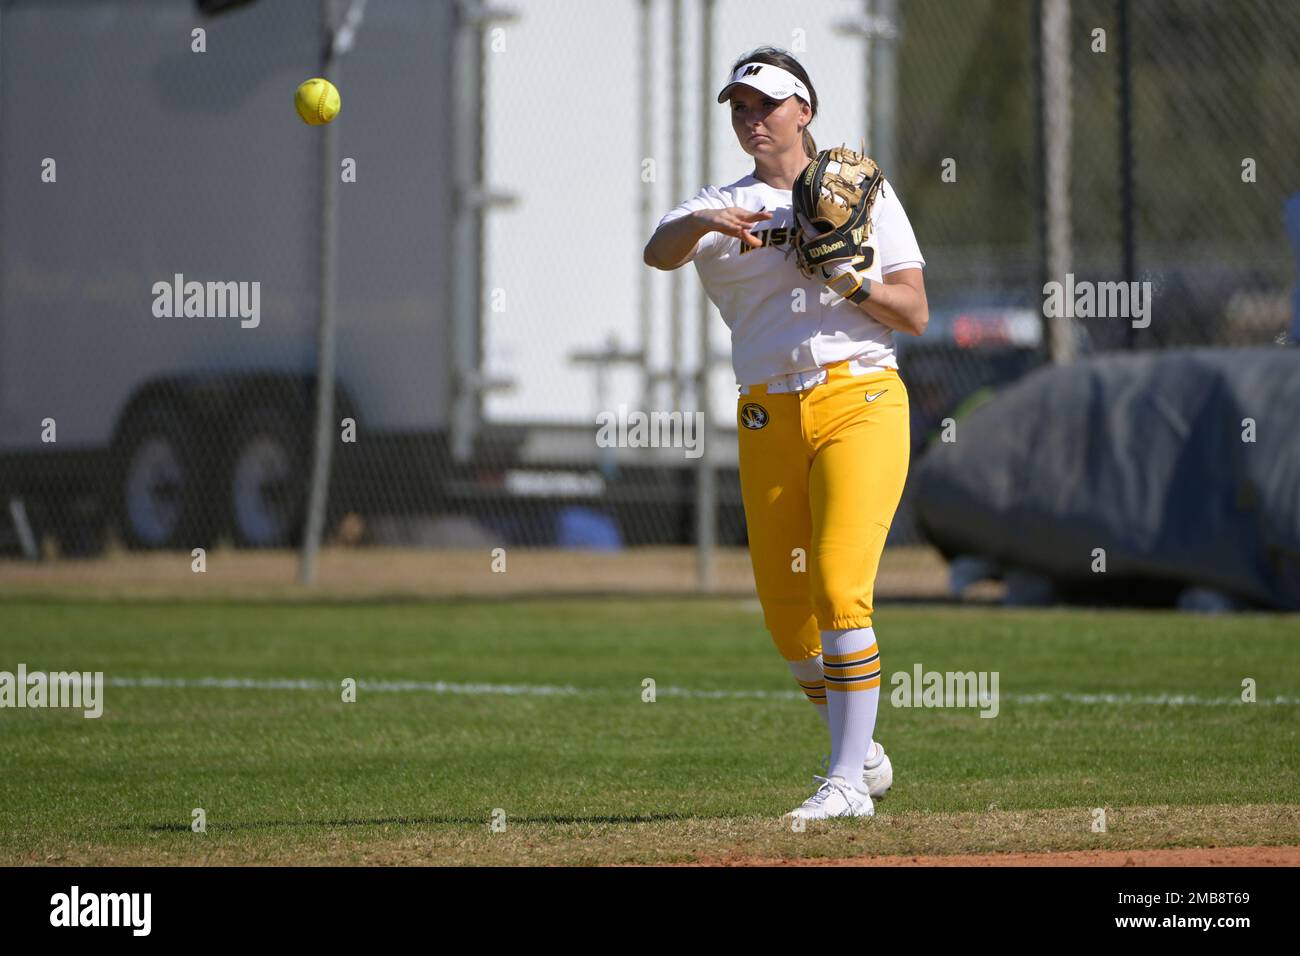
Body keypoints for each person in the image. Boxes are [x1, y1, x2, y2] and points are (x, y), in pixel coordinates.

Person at [643, 46, 928, 819]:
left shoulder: (856, 190)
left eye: (764, 104)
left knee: (839, 586)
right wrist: (702, 215)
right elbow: (658, 251)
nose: (750, 118)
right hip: (767, 411)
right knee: (787, 619)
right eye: (738, 106)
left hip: (860, 396)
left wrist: (850, 278)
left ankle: (843, 786)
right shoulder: (717, 204)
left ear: (804, 110)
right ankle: (861, 753)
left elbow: (913, 311)